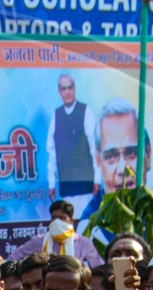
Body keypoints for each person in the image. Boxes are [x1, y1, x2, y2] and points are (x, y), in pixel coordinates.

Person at [47, 72, 97, 202]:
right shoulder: (55, 116)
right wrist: (51, 184)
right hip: (66, 188)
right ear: (59, 91)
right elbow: (52, 153)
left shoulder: (86, 112)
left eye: (70, 88)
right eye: (64, 89)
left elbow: (95, 149)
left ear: (74, 89)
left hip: (87, 188)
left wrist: (97, 180)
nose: (67, 92)